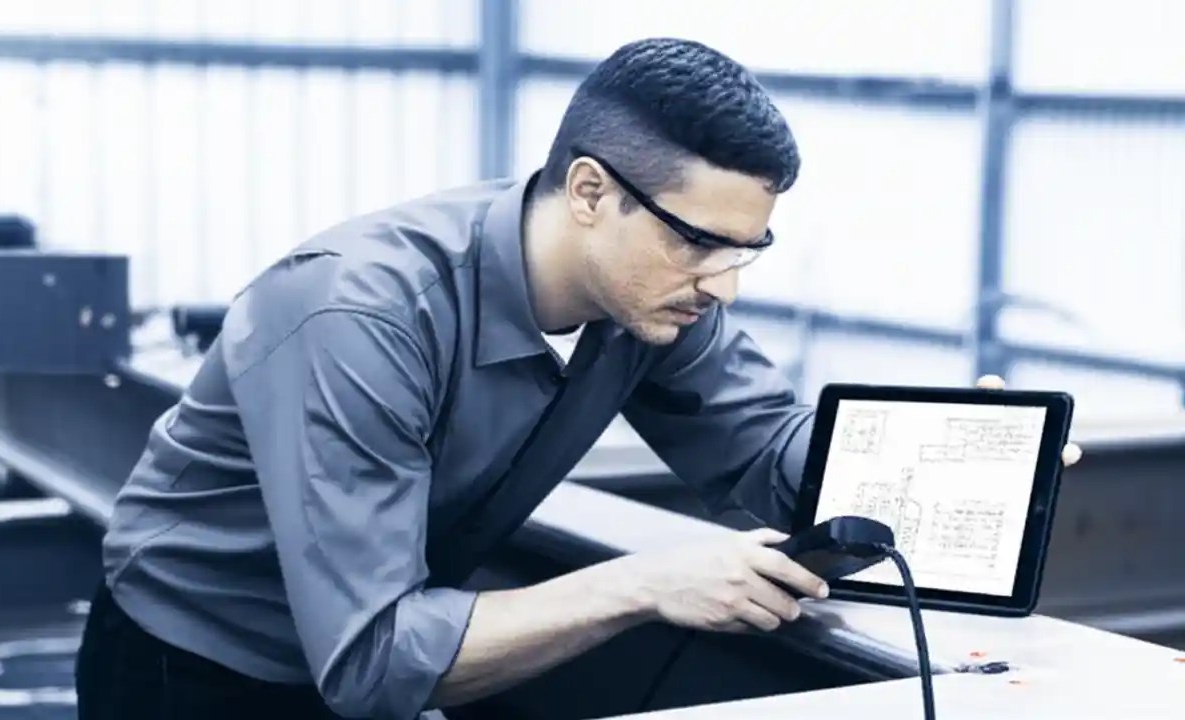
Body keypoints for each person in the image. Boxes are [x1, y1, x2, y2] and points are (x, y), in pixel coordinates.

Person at [74, 37, 1081, 720]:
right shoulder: (358, 314)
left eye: (749, 247)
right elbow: (374, 658)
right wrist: (649, 584)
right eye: (702, 242)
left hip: (363, 635)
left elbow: (767, 457)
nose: (724, 282)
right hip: (195, 662)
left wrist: (939, 462)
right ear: (591, 192)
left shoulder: (647, 298)